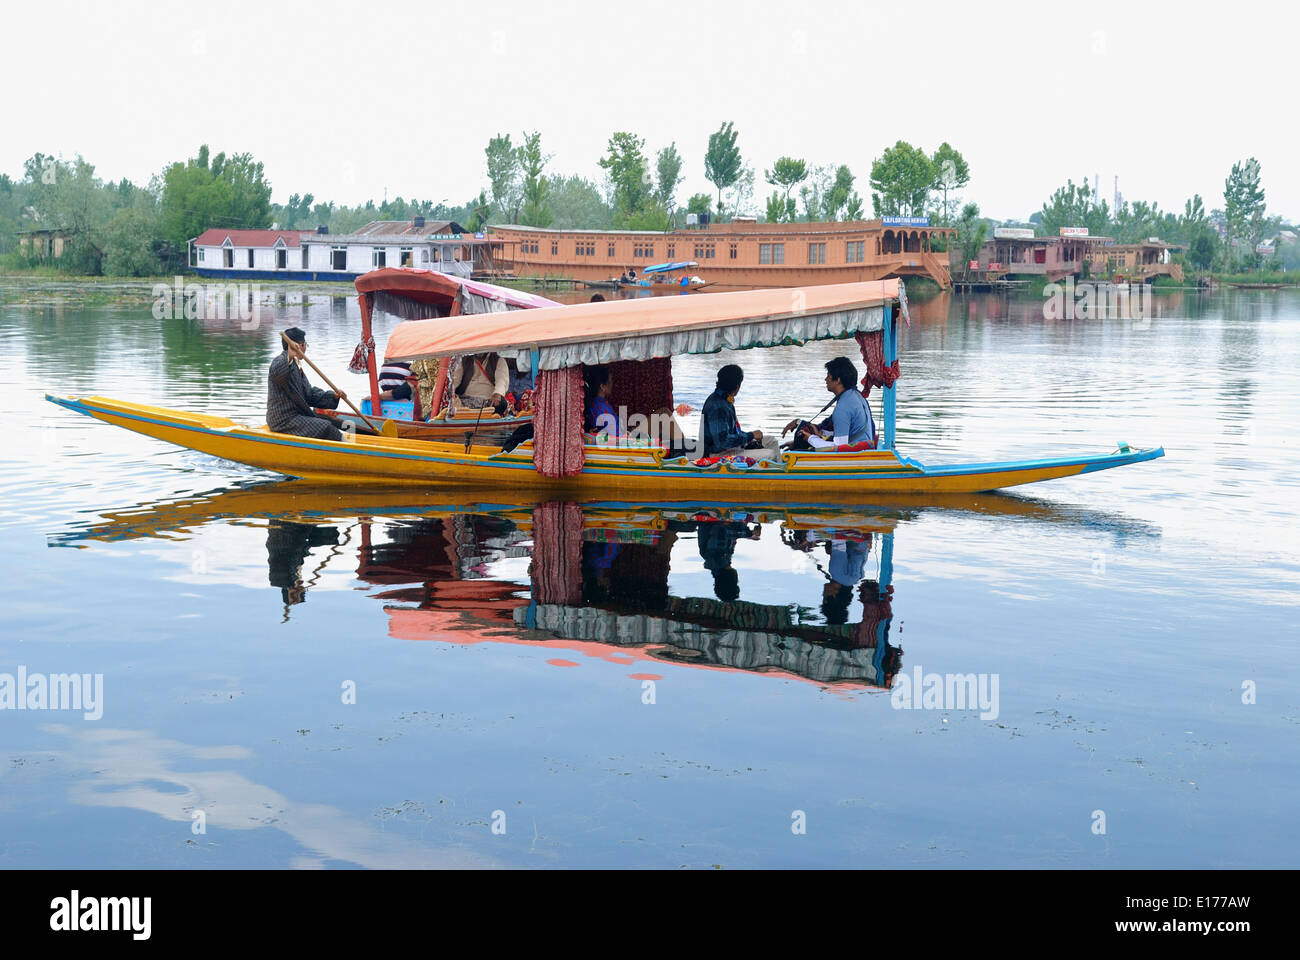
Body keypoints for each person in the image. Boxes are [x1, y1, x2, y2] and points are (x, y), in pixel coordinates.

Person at [267, 327, 346, 441]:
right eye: (304, 345)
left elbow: (309, 394)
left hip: (296, 416)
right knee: (327, 428)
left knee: (330, 422)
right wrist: (290, 355)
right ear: (300, 345)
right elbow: (278, 371)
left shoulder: (296, 365)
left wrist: (333, 395)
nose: (305, 348)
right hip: (283, 420)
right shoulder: (280, 361)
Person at [781, 356, 876, 450]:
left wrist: (810, 439)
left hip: (854, 455)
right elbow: (836, 431)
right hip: (863, 448)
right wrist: (800, 424)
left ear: (838, 380)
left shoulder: (843, 407)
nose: (825, 380)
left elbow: (839, 448)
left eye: (828, 376)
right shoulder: (855, 396)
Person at [701, 364, 779, 458]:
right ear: (737, 386)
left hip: (731, 448)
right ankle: (770, 470)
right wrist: (750, 436)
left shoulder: (725, 400)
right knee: (769, 454)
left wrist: (748, 438)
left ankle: (782, 470)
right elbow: (722, 442)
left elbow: (733, 433)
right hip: (716, 454)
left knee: (771, 441)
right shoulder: (718, 406)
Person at [583, 365, 622, 439]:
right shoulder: (601, 406)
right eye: (610, 381)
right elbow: (616, 434)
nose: (612, 384)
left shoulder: (595, 403)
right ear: (602, 386)